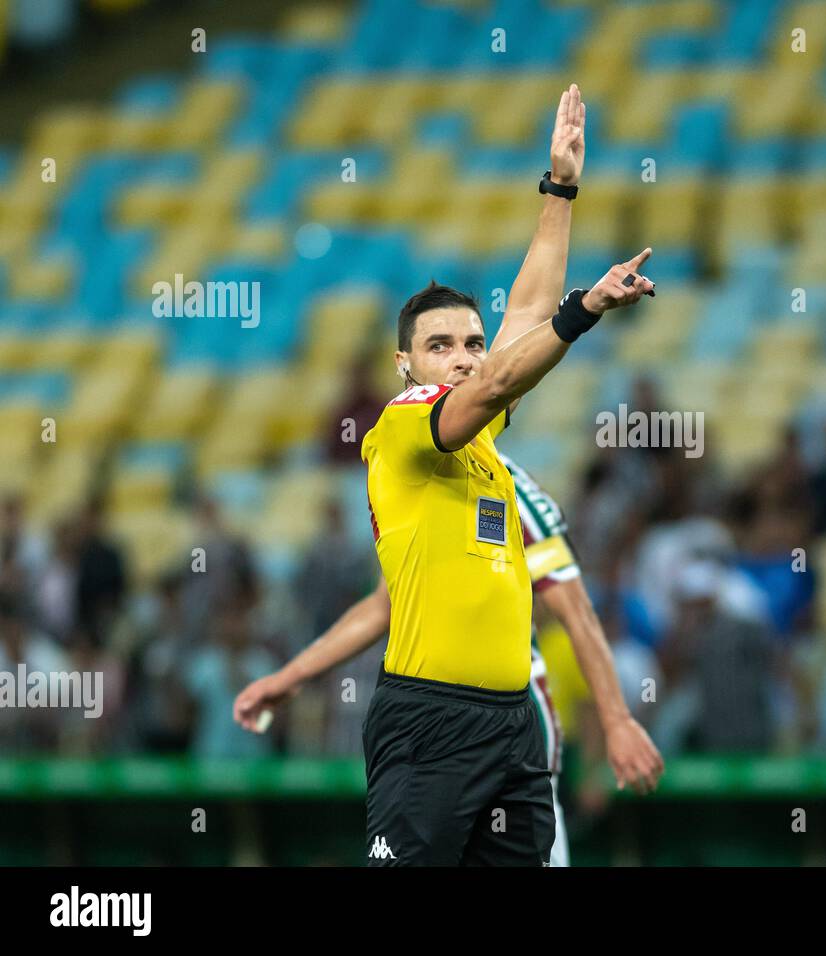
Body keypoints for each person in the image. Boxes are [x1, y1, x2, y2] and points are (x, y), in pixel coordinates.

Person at [239, 83, 653, 866]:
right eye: (441, 346)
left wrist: (560, 188)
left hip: (512, 726)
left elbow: (522, 321)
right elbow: (504, 374)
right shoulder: (402, 428)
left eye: (470, 342)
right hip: (428, 723)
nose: (463, 356)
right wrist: (586, 309)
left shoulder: (485, 441)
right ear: (405, 363)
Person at [234, 451, 663, 865]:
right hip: (435, 725)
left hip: (510, 720)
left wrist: (616, 721)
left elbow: (576, 610)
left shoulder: (515, 489)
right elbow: (385, 605)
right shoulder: (430, 477)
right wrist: (289, 678)